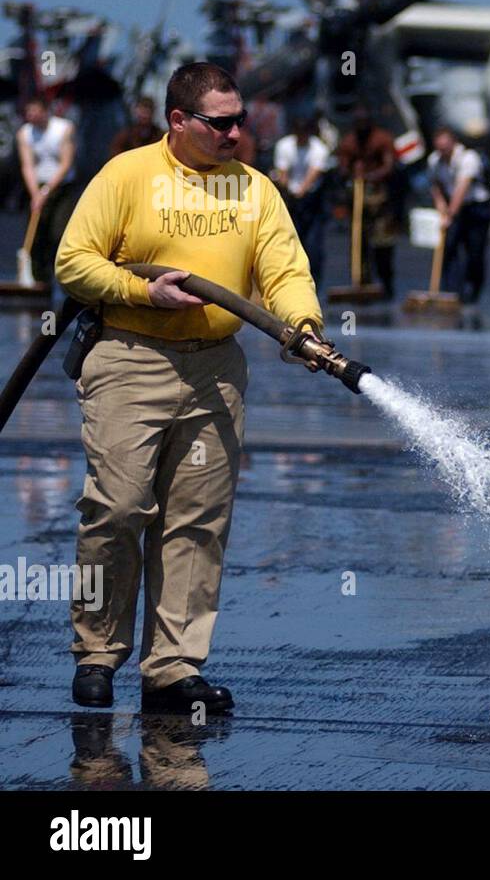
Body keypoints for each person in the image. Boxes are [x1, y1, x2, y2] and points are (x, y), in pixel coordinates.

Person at [54, 61, 322, 715]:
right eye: (222, 123)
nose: (237, 133)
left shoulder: (254, 190)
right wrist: (142, 289)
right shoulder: (128, 176)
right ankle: (96, 653)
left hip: (215, 370)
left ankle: (173, 668)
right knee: (116, 510)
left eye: (240, 121)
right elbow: (73, 260)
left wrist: (304, 326)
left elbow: (283, 269)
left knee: (197, 522)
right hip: (129, 356)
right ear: (180, 121)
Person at [336, 107, 398, 298]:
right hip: (357, 197)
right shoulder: (348, 142)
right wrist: (353, 174)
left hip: (379, 198)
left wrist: (370, 176)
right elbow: (342, 167)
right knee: (359, 243)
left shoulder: (382, 139)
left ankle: (386, 283)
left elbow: (389, 166)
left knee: (382, 244)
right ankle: (363, 283)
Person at [17, 97, 77, 288]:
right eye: (28, 113)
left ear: (45, 111)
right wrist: (36, 193)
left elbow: (66, 164)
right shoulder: (24, 133)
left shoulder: (64, 129)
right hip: (37, 186)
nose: (31, 116)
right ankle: (37, 277)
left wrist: (48, 190)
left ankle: (58, 275)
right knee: (37, 231)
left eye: (35, 111)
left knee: (57, 231)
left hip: (61, 187)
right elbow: (27, 165)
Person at [428, 126, 490, 304]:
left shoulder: (468, 158)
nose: (442, 151)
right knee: (449, 247)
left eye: (445, 147)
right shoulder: (434, 160)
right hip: (451, 206)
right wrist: (441, 206)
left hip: (474, 207)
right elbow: (435, 185)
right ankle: (451, 291)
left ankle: (473, 287)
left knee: (475, 251)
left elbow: (462, 188)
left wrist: (450, 214)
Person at [271, 114, 332, 287]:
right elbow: (282, 171)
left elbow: (314, 173)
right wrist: (290, 191)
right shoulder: (285, 145)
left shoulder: (319, 149)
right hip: (292, 198)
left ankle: (316, 283)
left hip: (312, 199)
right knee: (290, 241)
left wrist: (301, 191)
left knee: (313, 245)